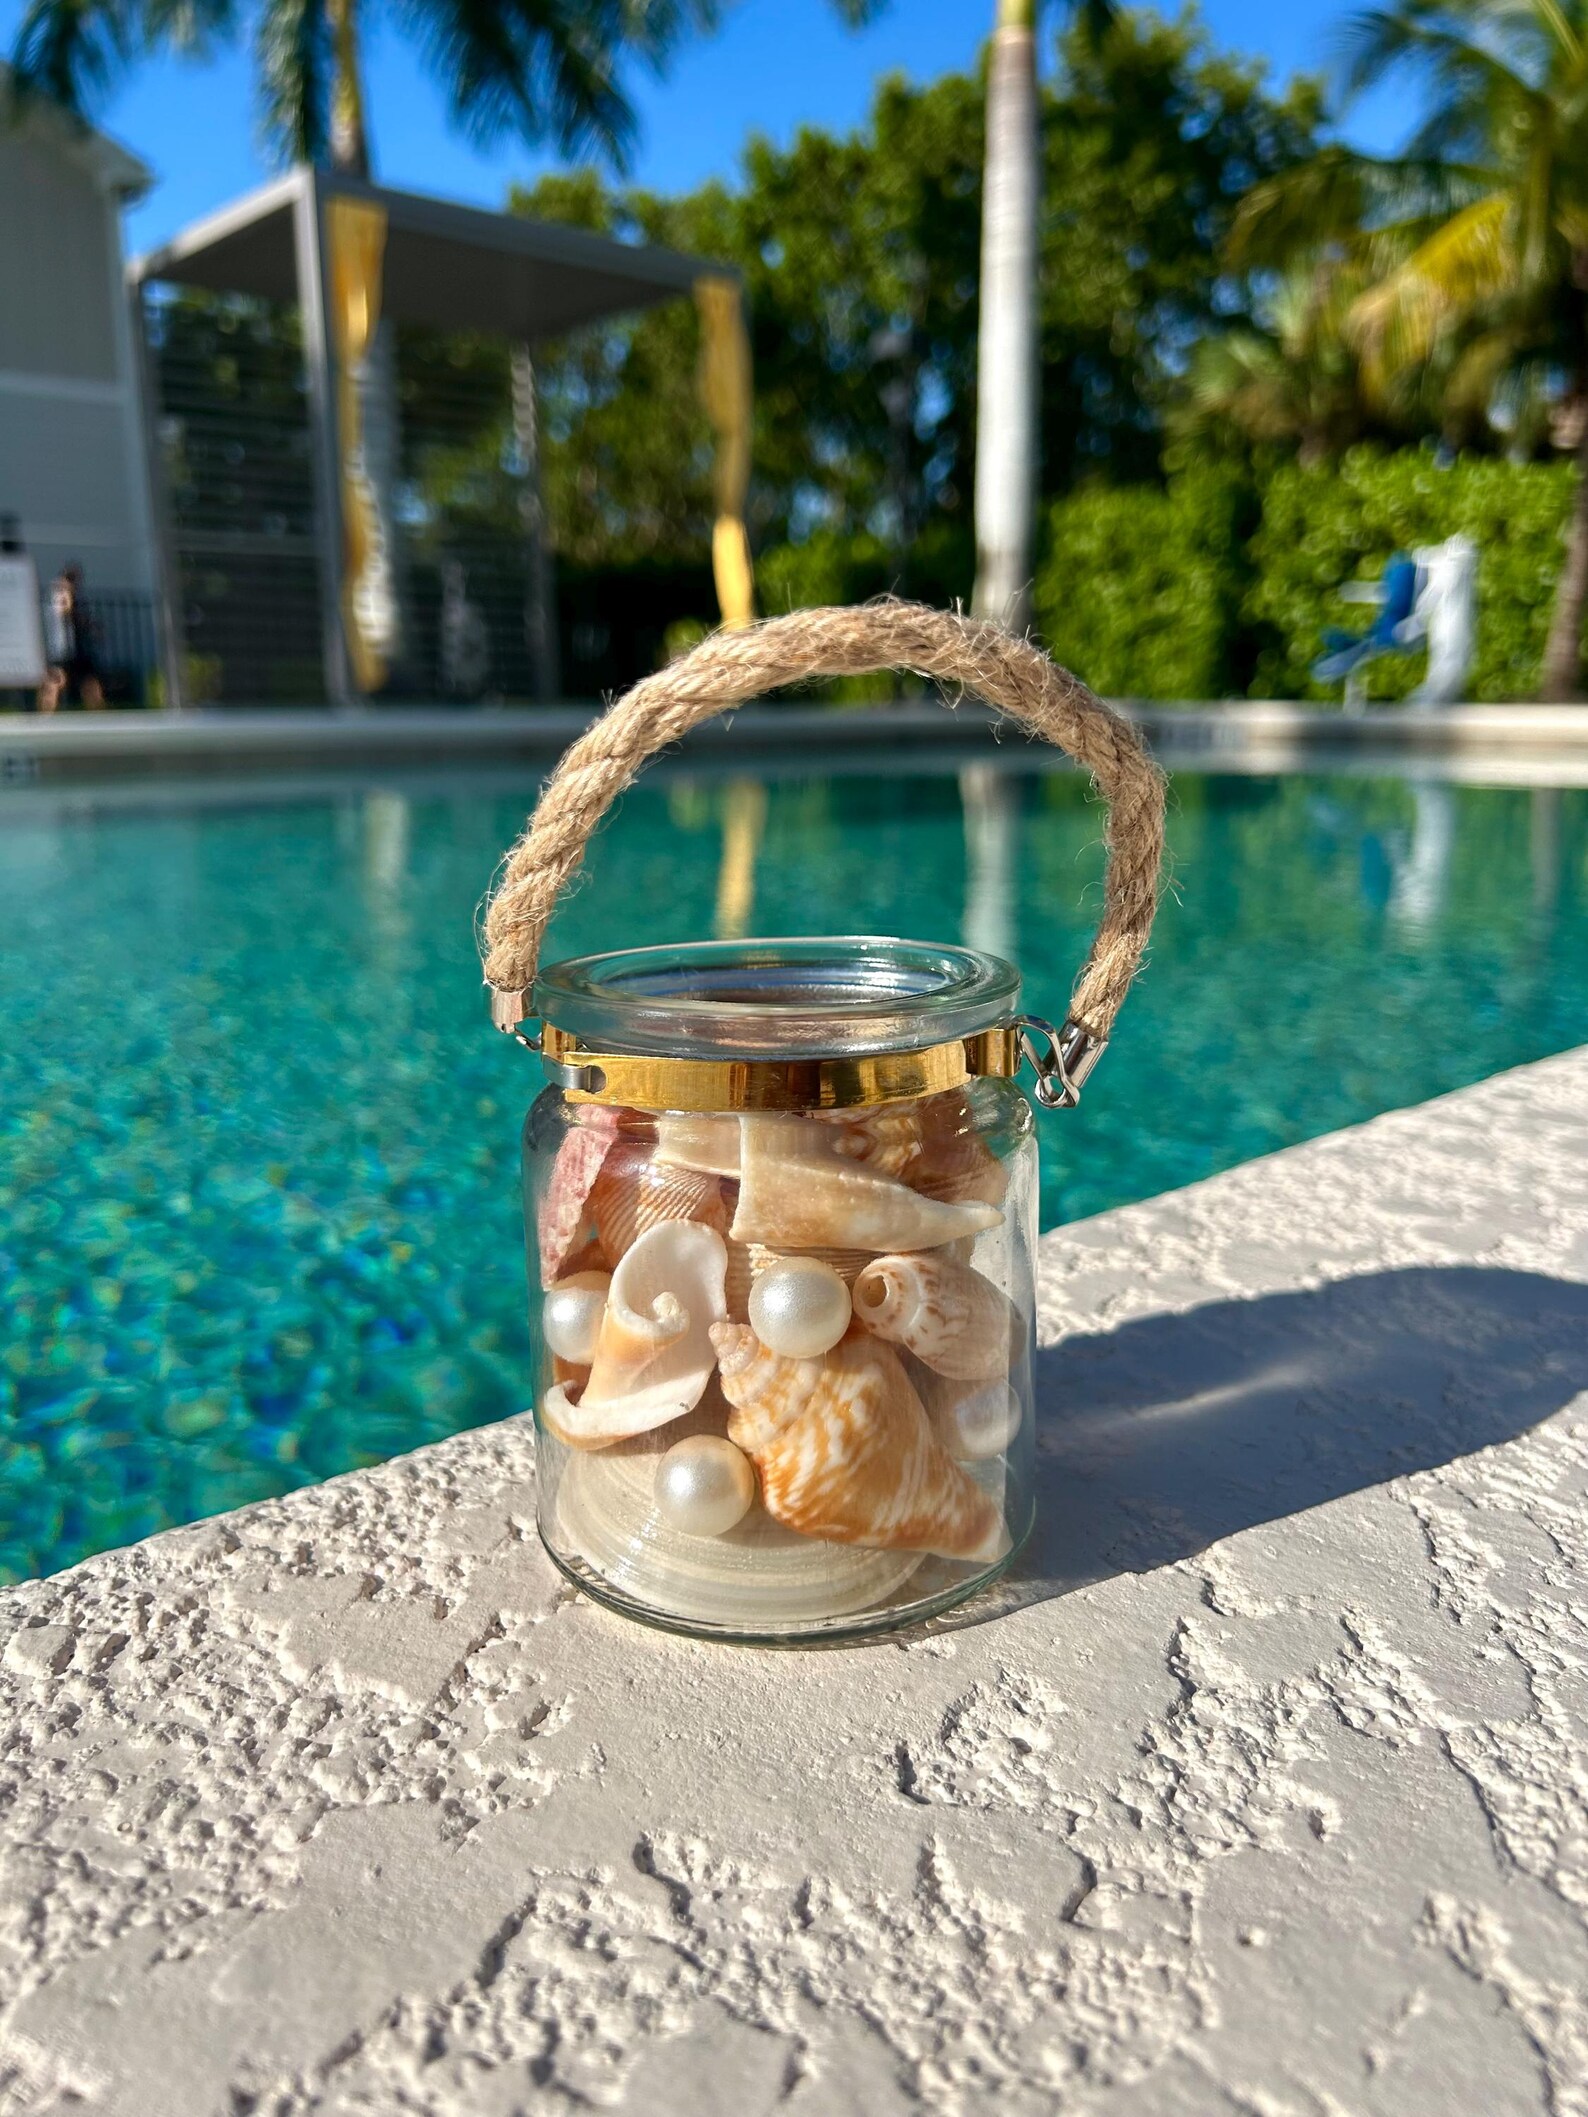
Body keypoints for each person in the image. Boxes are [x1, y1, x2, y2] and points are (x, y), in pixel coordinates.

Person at [38, 564, 105, 713]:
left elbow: (84, 623)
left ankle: (99, 718)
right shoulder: (57, 596)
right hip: (59, 652)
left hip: (78, 651)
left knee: (90, 685)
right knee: (53, 684)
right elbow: (61, 612)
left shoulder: (79, 603)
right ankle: (45, 720)